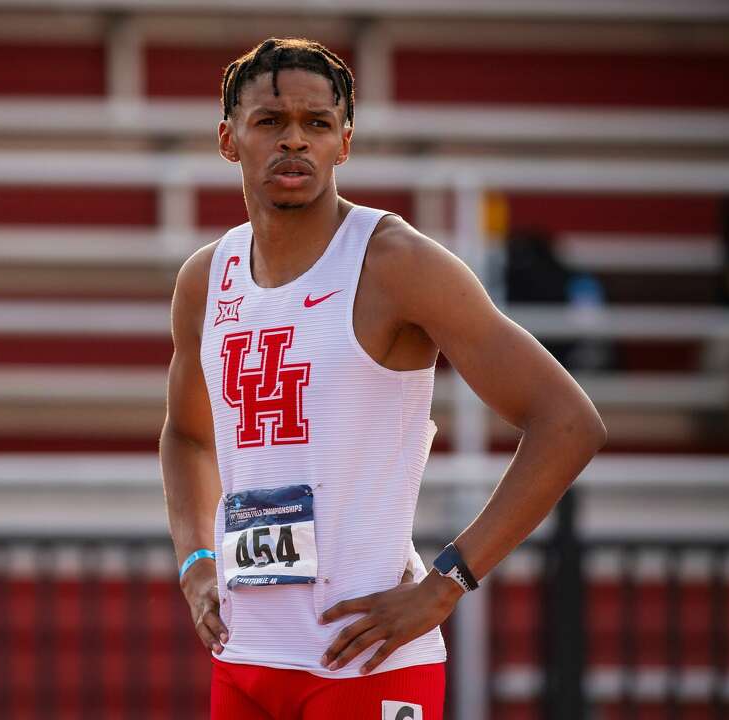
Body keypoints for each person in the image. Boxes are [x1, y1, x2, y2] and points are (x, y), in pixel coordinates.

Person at [159, 37, 607, 720]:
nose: (295, 142)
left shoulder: (396, 263)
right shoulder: (206, 278)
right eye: (270, 121)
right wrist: (195, 563)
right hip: (245, 659)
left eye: (317, 124)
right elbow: (188, 438)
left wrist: (447, 581)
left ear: (345, 142)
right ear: (229, 139)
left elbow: (568, 422)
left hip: (365, 665)